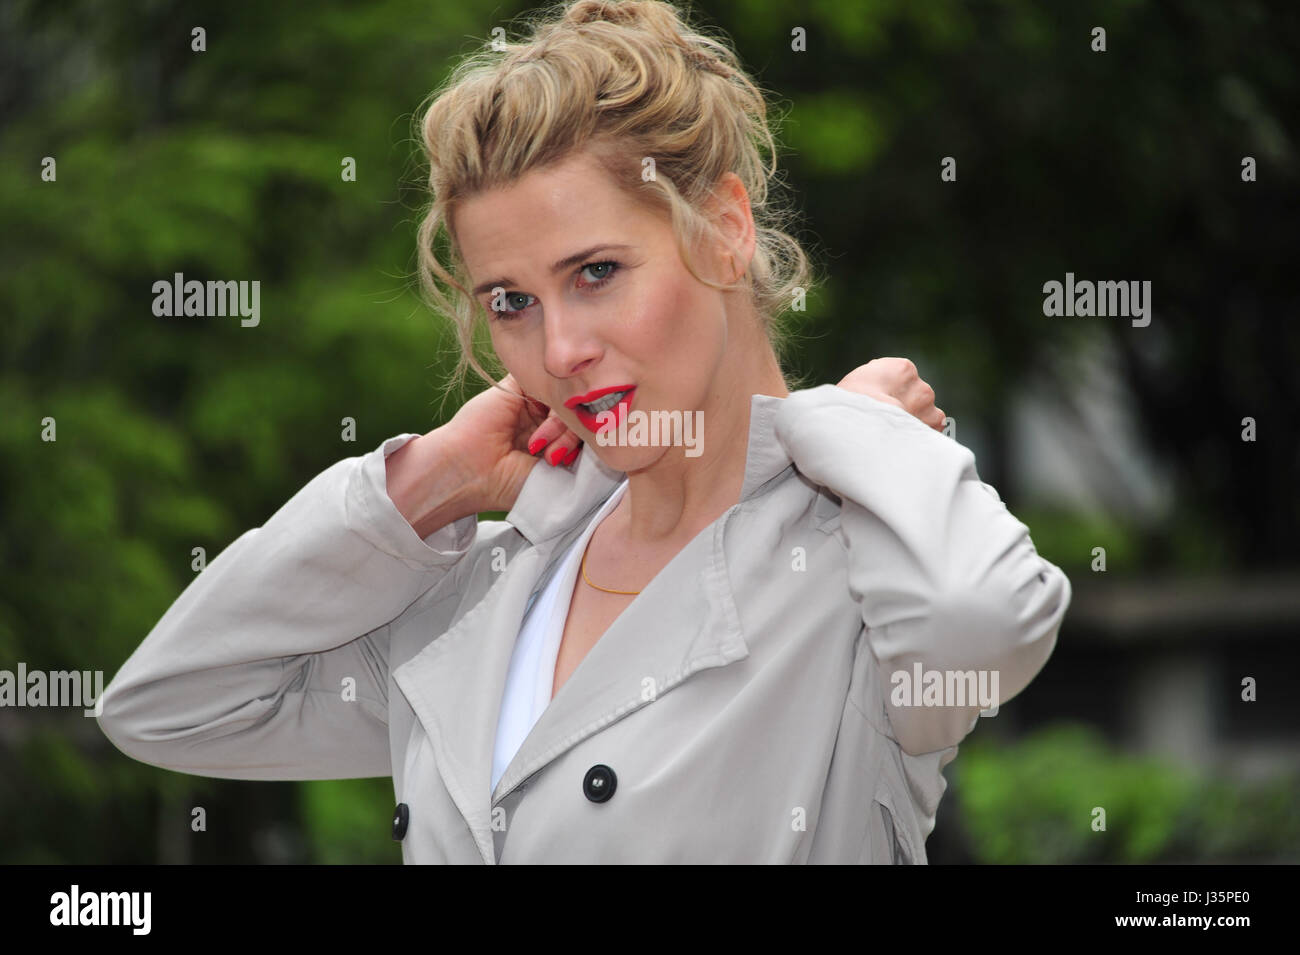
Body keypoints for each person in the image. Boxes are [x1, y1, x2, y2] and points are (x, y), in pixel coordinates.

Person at [98, 0, 1071, 864]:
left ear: (726, 227)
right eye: (511, 301)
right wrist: (419, 487)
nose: (559, 349)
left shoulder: (854, 566)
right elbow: (166, 704)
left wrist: (850, 431)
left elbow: (983, 626)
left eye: (596, 272)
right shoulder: (484, 587)